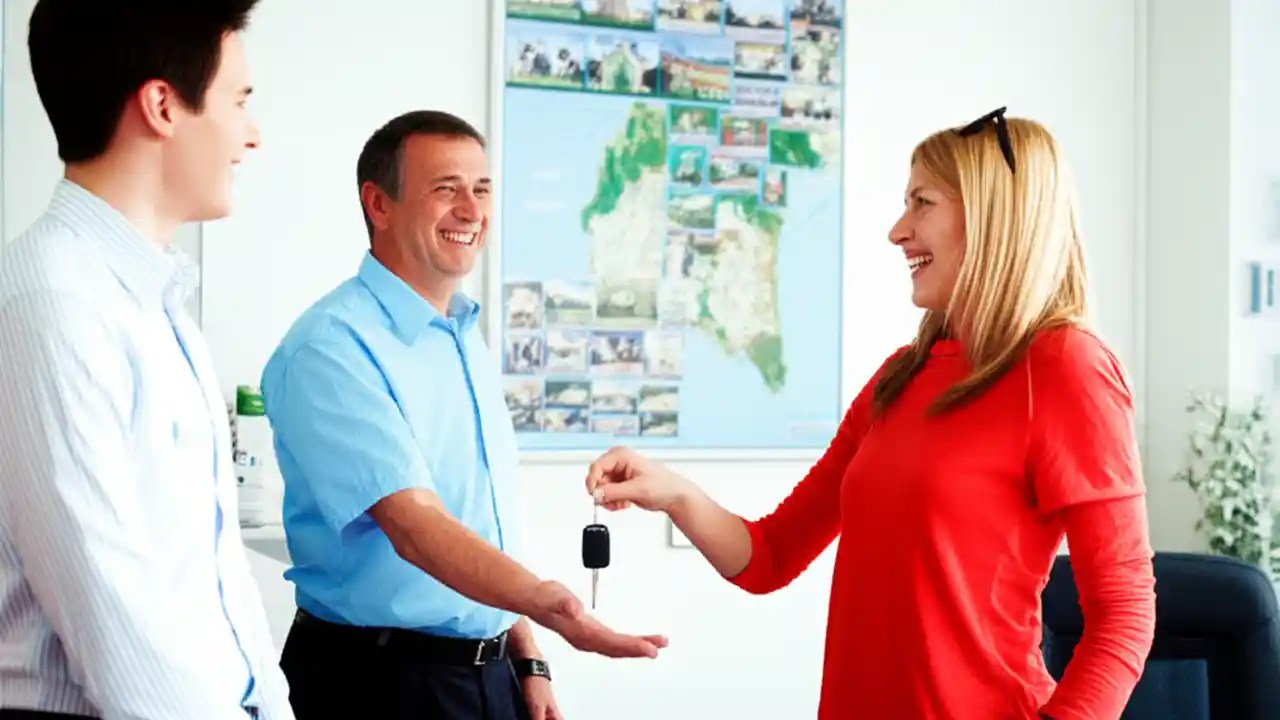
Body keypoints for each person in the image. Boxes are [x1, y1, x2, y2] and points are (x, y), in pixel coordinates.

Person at [585, 108, 1157, 720]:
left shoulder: (1066, 367)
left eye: (922, 202)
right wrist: (673, 493)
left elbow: (1124, 615)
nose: (898, 230)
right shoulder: (899, 377)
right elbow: (770, 556)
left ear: (991, 217)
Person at [260, 110, 667, 720]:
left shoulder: (460, 334)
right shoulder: (331, 348)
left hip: (488, 674)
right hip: (379, 683)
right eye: (445, 188)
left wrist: (525, 652)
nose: (472, 211)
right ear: (380, 203)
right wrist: (551, 609)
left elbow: (479, 524)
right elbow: (416, 527)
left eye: (482, 189)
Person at [0, 2, 293, 719]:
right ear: (162, 104)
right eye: (238, 101)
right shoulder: (51, 303)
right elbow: (120, 627)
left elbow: (223, 585)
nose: (251, 136)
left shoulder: (157, 302)